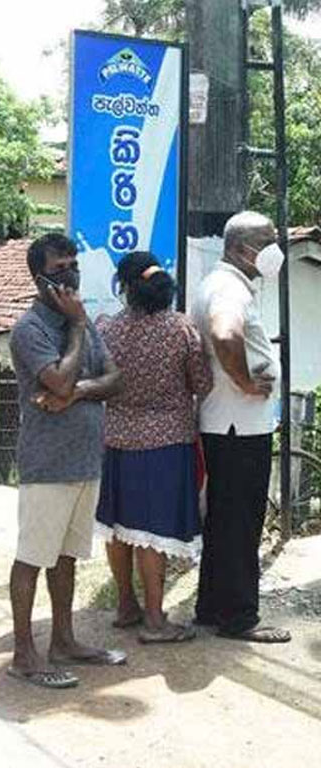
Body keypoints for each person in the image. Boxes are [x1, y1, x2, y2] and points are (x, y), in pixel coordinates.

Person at [7, 233, 126, 689]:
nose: (71, 274)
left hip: (85, 459)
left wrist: (76, 392)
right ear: (39, 277)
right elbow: (56, 380)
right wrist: (75, 329)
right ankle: (24, 654)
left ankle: (64, 641)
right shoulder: (31, 329)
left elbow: (115, 380)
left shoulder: (82, 319)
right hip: (47, 463)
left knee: (66, 557)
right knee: (32, 558)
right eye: (60, 269)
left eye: (74, 264)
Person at [95, 252, 212, 644]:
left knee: (118, 527)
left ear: (126, 287)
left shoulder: (107, 329)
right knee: (152, 532)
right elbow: (202, 384)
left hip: (116, 440)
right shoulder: (181, 329)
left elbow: (97, 380)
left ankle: (126, 604)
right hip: (167, 443)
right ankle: (155, 620)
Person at [191, 211, 292, 644]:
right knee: (240, 523)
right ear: (239, 248)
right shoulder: (228, 289)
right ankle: (239, 617)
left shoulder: (222, 283)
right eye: (266, 241)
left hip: (229, 422)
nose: (274, 250)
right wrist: (246, 381)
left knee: (224, 519)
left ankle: (212, 606)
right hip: (238, 426)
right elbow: (225, 334)